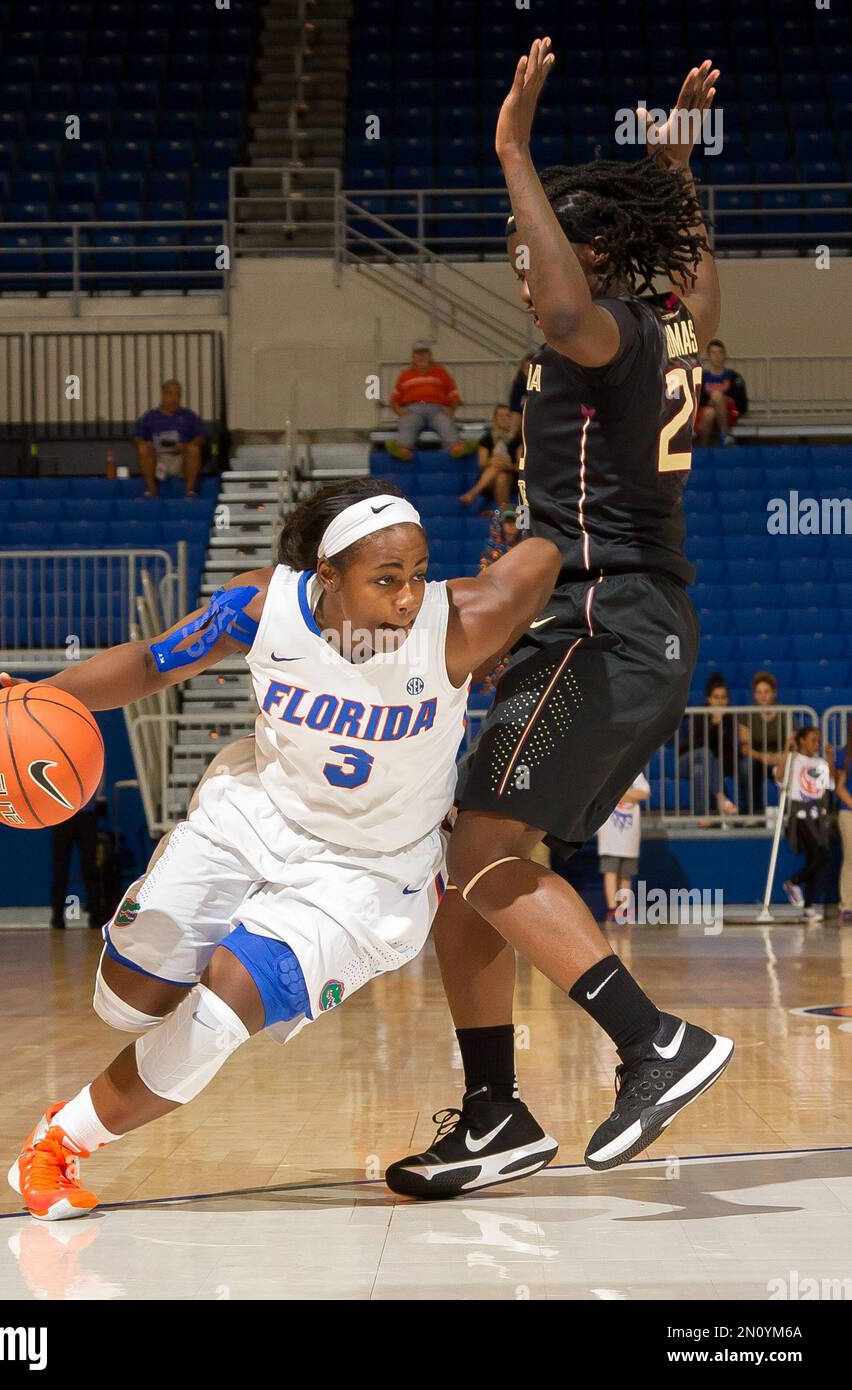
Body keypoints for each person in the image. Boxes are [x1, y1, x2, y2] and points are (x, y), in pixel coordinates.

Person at [0, 477, 560, 1218]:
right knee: (128, 1001)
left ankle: (60, 1144)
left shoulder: (458, 623)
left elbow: (542, 557)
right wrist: (40, 698)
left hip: (369, 875)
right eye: (385, 580)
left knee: (226, 1004)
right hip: (255, 815)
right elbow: (153, 663)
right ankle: (164, 1006)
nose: (406, 598)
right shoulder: (259, 605)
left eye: (418, 575)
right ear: (326, 576)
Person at [386, 46, 734, 1198]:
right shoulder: (669, 323)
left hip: (607, 622)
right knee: (467, 868)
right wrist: (675, 167)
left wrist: (510, 151)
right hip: (615, 625)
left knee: (481, 847)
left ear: (583, 253)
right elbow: (678, 263)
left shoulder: (608, 333)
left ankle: (652, 1041)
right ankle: (494, 1111)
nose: (519, 257)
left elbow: (560, 298)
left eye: (533, 235)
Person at [779, 726, 833, 922]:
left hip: (817, 816)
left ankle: (809, 907)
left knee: (815, 861)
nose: (816, 744)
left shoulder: (819, 762)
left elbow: (829, 784)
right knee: (821, 856)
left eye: (818, 740)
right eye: (812, 740)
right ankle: (792, 883)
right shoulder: (794, 760)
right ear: (802, 741)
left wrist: (829, 758)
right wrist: (787, 747)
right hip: (800, 817)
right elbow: (779, 777)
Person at [387, 342, 475, 462]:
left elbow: (453, 394)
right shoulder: (404, 375)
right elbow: (394, 398)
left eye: (424, 353)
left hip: (437, 409)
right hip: (413, 410)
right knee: (407, 423)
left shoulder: (441, 373)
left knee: (446, 423)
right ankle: (403, 449)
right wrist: (399, 411)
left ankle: (456, 447)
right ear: (413, 357)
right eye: (418, 354)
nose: (421, 356)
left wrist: (451, 409)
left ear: (430, 355)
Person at [677, 672, 738, 821]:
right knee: (705, 753)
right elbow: (696, 745)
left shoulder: (730, 718)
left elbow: (728, 750)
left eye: (723, 698)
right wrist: (714, 726)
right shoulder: (699, 714)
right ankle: (720, 796)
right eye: (716, 697)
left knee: (699, 771)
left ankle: (702, 817)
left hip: (708, 765)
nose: (720, 702)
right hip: (686, 760)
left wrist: (720, 726)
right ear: (708, 699)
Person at [134, 379, 206, 498]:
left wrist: (187, 446)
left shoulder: (189, 415)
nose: (174, 398)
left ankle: (190, 492)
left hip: (181, 458)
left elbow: (201, 437)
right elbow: (137, 438)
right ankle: (151, 491)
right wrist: (148, 446)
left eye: (177, 394)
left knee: (194, 449)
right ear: (163, 395)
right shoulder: (150, 416)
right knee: (143, 449)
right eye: (170, 393)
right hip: (158, 459)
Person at [596, 772, 650, 923]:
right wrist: (629, 796)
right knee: (610, 871)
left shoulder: (635, 773)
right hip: (610, 836)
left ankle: (624, 908)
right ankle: (612, 908)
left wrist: (621, 795)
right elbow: (604, 795)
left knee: (627, 874)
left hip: (629, 836)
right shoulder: (607, 772)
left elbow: (644, 793)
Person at [738, 670, 791, 821]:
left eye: (766, 691)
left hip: (781, 758)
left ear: (774, 692)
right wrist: (763, 757)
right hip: (757, 759)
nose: (763, 696)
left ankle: (788, 814)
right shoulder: (746, 714)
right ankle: (751, 813)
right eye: (759, 692)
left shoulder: (785, 713)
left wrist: (781, 756)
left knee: (791, 764)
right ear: (754, 695)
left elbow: (793, 741)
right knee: (745, 766)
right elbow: (745, 747)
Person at [50, 792, 102, 931]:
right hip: (62, 814)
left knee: (90, 867)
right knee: (60, 868)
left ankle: (95, 915)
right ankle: (57, 917)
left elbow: (98, 783)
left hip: (86, 814)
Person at [459, 404, 521, 508]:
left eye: (507, 416)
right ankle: (504, 512)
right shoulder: (486, 440)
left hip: (512, 478)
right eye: (500, 416)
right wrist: (493, 461)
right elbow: (482, 464)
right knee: (497, 467)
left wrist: (508, 465)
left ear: (511, 419)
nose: (503, 419)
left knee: (502, 475)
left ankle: (473, 493)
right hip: (488, 480)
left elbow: (521, 466)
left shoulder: (518, 440)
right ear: (495, 418)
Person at [693, 339, 747, 446]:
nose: (717, 356)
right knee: (709, 413)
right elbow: (696, 399)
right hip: (706, 412)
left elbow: (741, 402)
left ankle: (724, 434)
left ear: (725, 355)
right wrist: (710, 402)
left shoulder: (734, 377)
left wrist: (722, 400)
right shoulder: (701, 378)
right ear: (708, 356)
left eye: (720, 353)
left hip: (729, 412)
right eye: (713, 353)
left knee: (717, 395)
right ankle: (704, 447)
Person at [835, 728, 852, 924]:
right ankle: (847, 905)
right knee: (850, 858)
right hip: (848, 810)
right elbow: (839, 787)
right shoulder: (844, 754)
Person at [508, 353, 534, 436]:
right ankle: (511, 439)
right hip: (523, 412)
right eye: (527, 368)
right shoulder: (518, 384)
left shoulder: (545, 383)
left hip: (539, 412)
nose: (529, 371)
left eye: (532, 368)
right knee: (515, 416)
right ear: (522, 369)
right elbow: (514, 405)